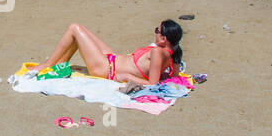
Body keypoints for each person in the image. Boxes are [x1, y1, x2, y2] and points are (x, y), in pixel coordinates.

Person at [32, 20, 183, 86]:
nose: (155, 32)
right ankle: (58, 65)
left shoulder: (157, 52)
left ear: (163, 39)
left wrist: (128, 76)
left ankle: (47, 65)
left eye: (157, 30)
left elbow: (153, 83)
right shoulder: (175, 50)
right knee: (81, 31)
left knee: (74, 28)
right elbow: (173, 77)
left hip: (106, 69)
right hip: (111, 60)